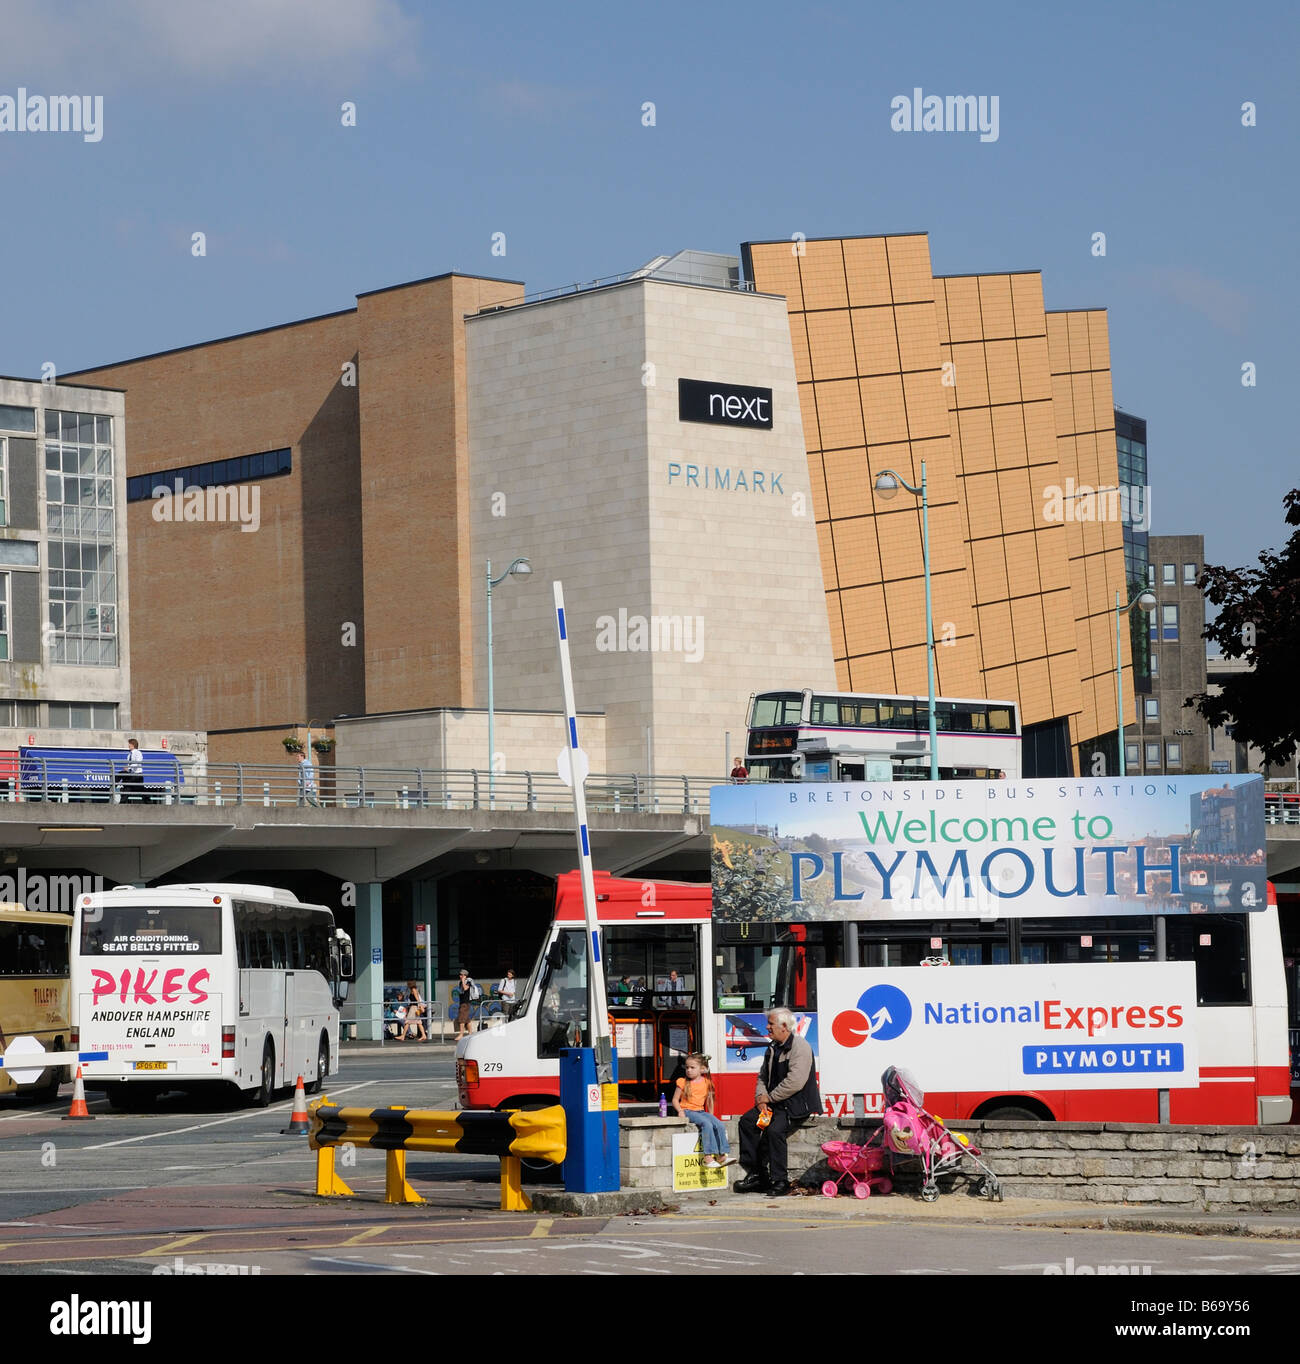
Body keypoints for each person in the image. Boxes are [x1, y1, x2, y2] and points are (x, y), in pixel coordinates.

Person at [734, 1008, 820, 1197]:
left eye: (771, 1023)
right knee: (747, 1122)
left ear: (784, 1026)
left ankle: (780, 1180)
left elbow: (795, 1082)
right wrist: (761, 1100)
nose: (767, 1027)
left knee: (774, 1131)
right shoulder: (772, 1048)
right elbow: (762, 1077)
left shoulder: (800, 1047)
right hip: (774, 1103)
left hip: (795, 1105)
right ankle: (757, 1174)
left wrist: (769, 1098)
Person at [672, 1053, 735, 1169]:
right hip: (688, 1110)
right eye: (687, 1067)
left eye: (692, 1067)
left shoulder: (707, 1082)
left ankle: (722, 1155)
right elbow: (675, 1100)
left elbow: (709, 1101)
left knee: (719, 1125)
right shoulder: (682, 1082)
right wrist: (680, 1111)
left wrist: (711, 1116)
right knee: (706, 1124)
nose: (689, 1070)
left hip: (701, 1111)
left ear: (702, 1069)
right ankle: (708, 1157)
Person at [454, 967, 480, 1040]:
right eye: (460, 975)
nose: (460, 976)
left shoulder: (468, 981)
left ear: (465, 976)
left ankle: (461, 1035)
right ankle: (470, 1033)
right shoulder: (460, 982)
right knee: (467, 1019)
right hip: (462, 1002)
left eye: (462, 975)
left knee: (462, 1019)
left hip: (466, 1003)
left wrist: (463, 981)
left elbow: (465, 988)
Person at [117, 739, 146, 804]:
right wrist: (127, 768)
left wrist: (129, 768)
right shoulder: (129, 755)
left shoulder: (138, 753)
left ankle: (115, 785)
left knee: (139, 789)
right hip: (131, 775)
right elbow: (129, 764)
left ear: (133, 745)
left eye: (129, 744)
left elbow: (137, 762)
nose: (128, 745)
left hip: (137, 775)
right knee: (127, 787)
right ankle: (122, 802)